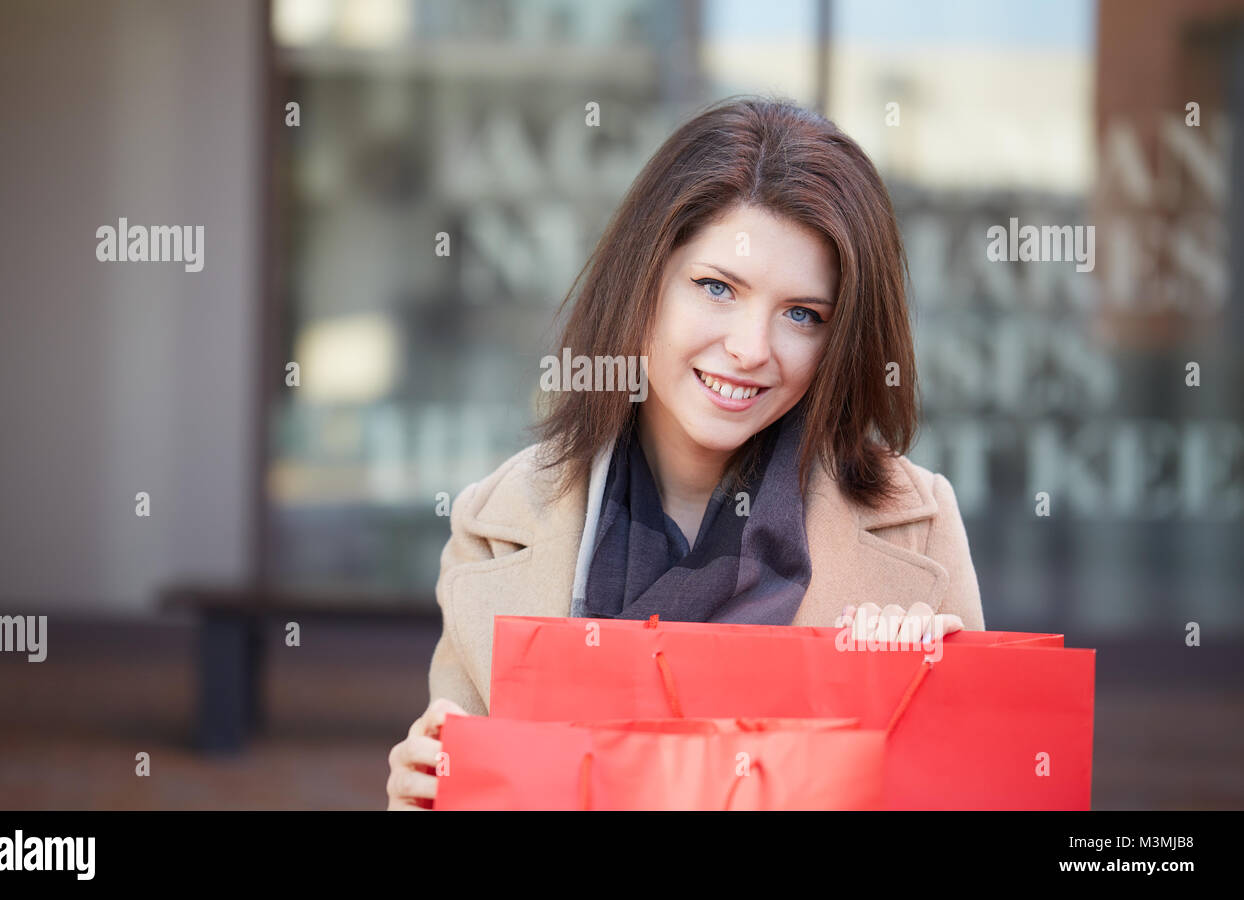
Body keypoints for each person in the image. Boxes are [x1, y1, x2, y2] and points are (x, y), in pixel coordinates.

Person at [387, 95, 986, 810]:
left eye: (803, 314)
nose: (751, 349)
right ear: (644, 282)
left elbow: (977, 791)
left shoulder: (916, 526)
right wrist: (420, 791)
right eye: (716, 287)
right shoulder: (499, 521)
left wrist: (919, 698)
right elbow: (471, 779)